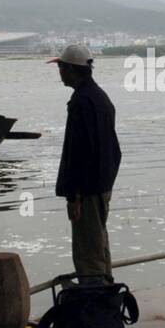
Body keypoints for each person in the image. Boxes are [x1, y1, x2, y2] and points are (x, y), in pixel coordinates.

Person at [50, 43, 122, 285]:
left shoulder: (82, 102)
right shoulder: (101, 98)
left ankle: (95, 308)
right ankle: (106, 298)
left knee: (87, 251)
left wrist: (75, 195)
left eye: (61, 67)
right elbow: (112, 150)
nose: (59, 72)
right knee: (99, 243)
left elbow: (79, 153)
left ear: (71, 69)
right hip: (101, 185)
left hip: (87, 190)